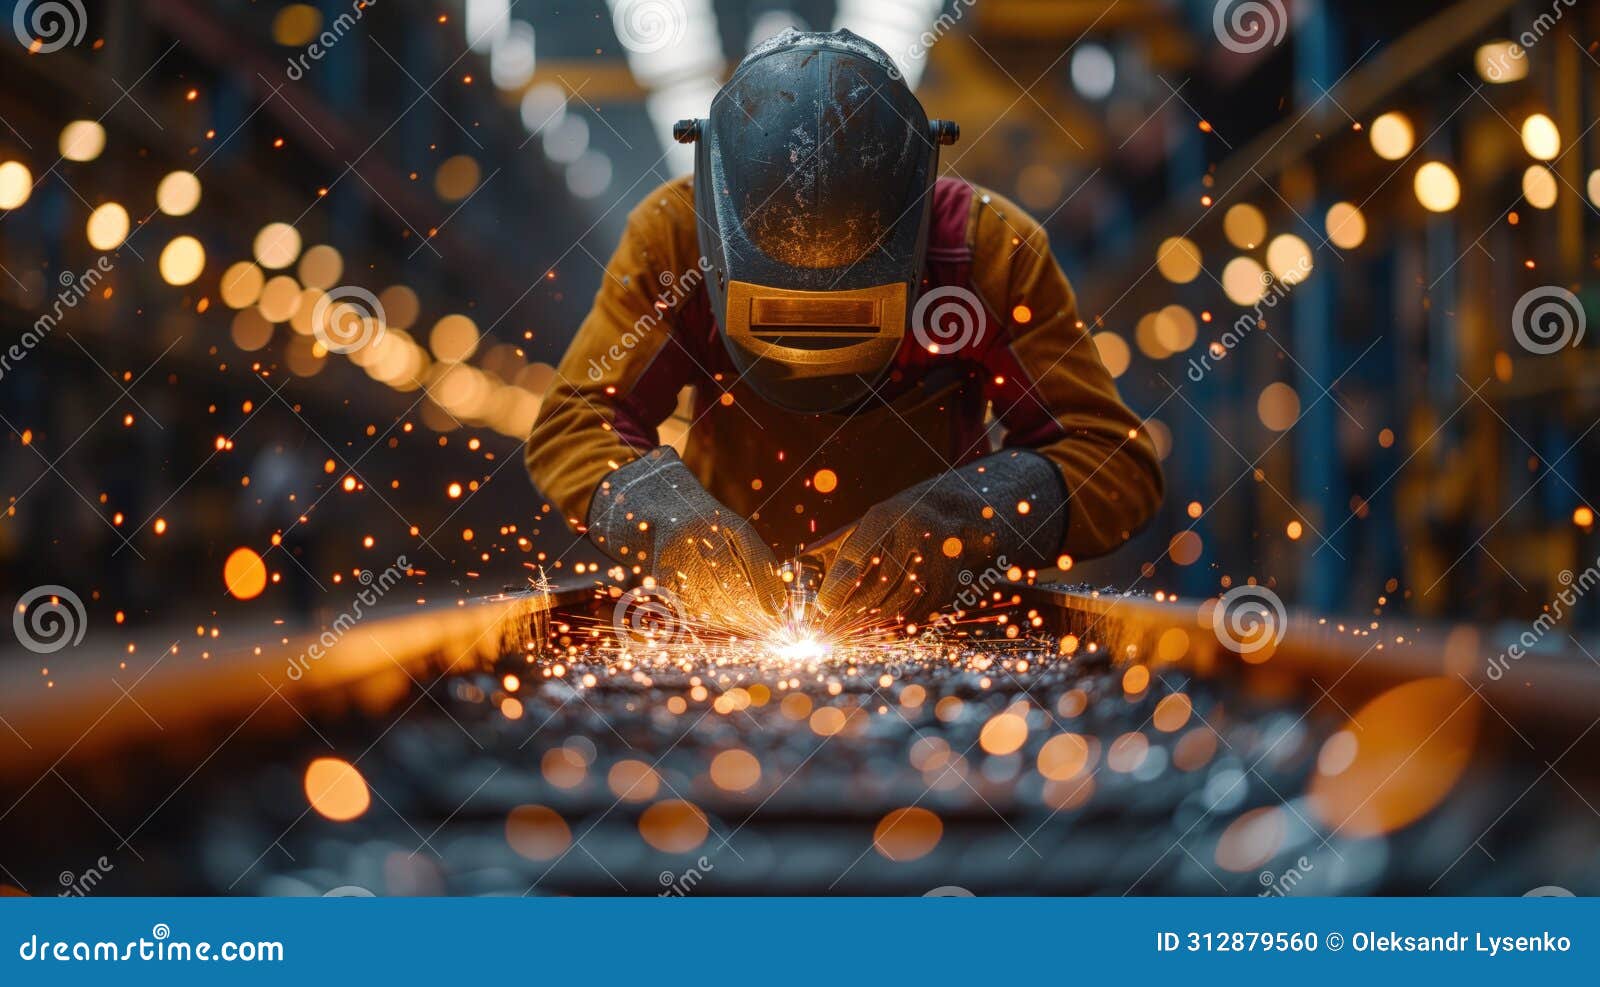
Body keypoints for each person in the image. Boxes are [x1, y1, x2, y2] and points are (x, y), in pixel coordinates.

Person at [525, 29, 1161, 633]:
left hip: (941, 611)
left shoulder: (989, 250)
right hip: (722, 619)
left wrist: (964, 522)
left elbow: (1113, 462)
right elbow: (576, 424)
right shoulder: (673, 239)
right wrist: (670, 524)